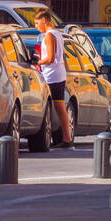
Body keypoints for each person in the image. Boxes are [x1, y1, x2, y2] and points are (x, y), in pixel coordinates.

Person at [33, 9, 73, 149]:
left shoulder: (49, 35)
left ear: (44, 20)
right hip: (58, 73)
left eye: (37, 23)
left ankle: (67, 138)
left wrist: (37, 62)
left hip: (52, 75)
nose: (36, 27)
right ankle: (67, 138)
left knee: (57, 106)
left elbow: (50, 58)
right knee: (59, 106)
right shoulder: (57, 34)